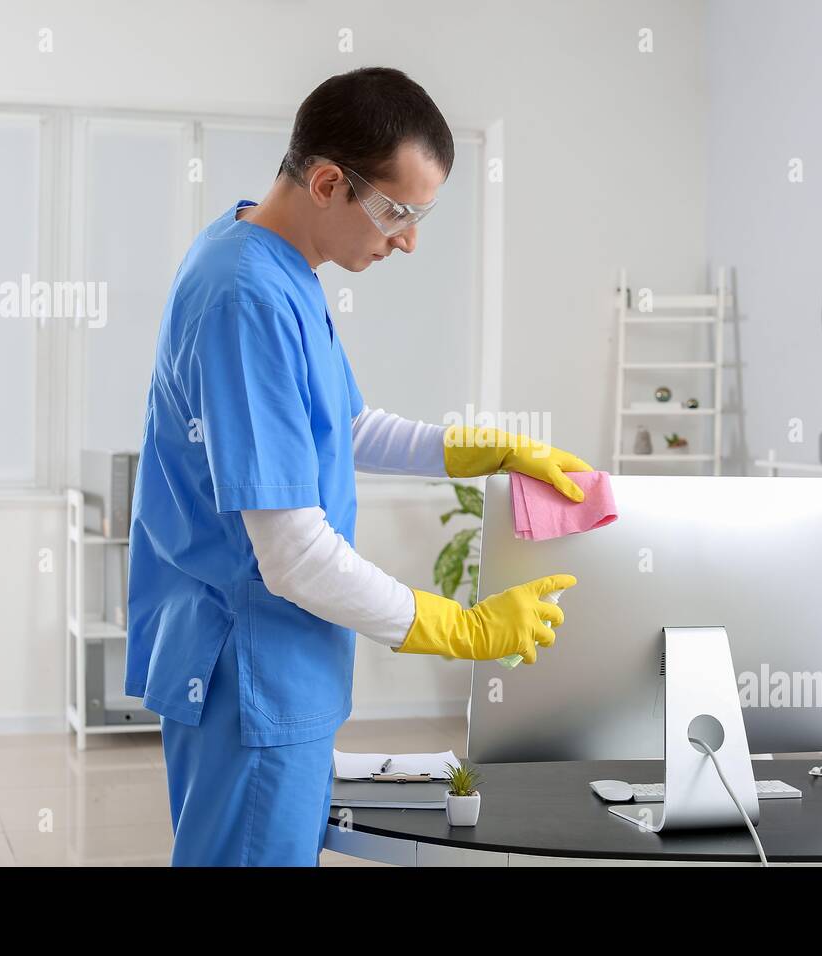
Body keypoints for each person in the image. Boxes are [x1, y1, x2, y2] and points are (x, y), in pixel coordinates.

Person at [125, 67, 591, 866]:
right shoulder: (247, 297)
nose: (408, 239)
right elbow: (295, 555)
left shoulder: (274, 263)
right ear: (330, 181)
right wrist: (464, 628)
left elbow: (345, 427)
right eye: (397, 212)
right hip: (253, 670)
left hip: (277, 668)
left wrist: (480, 450)